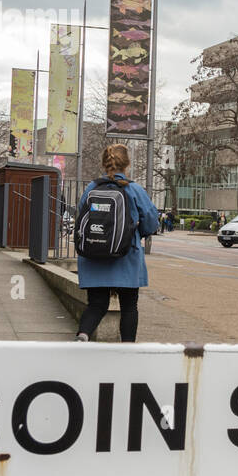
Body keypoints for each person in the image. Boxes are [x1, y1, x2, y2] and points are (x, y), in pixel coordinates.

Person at [76, 144, 159, 343]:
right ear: (127, 164)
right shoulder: (133, 189)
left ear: (104, 164)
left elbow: (81, 216)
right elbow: (150, 222)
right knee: (129, 307)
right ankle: (127, 347)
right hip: (126, 257)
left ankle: (83, 335)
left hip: (94, 256)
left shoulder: (91, 188)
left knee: (96, 305)